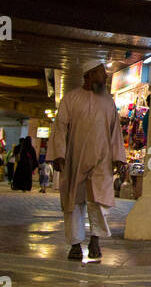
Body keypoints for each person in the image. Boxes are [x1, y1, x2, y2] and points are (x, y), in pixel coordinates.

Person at [50, 63, 127, 264]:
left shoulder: (108, 102)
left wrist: (119, 157)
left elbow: (115, 131)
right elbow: (60, 128)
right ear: (90, 74)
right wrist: (59, 154)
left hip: (102, 160)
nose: (106, 77)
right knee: (73, 201)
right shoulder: (71, 98)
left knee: (99, 202)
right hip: (75, 158)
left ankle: (95, 240)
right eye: (102, 72)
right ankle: (75, 245)